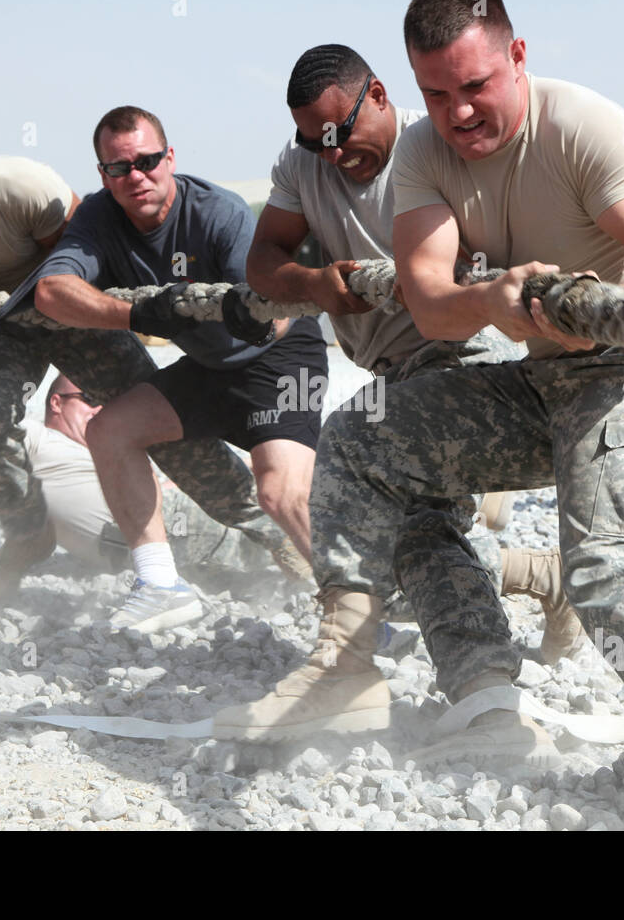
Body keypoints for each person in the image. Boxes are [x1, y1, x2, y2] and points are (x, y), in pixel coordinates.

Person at [225, 0, 624, 829]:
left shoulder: (583, 125)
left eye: (477, 86)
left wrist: (591, 315)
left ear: (517, 57)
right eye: (438, 94)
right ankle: (370, 669)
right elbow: (427, 294)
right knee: (366, 440)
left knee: (610, 570)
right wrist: (494, 303)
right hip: (537, 376)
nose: (459, 113)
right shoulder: (423, 156)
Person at [217, 42, 584, 742]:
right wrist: (314, 285)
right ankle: (533, 588)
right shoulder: (304, 164)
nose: (331, 155)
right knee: (402, 539)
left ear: (379, 96)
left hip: (465, 354)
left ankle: (461, 691)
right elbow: (265, 263)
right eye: (312, 140)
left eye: (341, 134)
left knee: (408, 515)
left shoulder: (439, 144)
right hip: (393, 373)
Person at [0, 148, 296, 606]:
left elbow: (92, 248)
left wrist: (126, 310)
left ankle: (272, 532)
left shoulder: (16, 187)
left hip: (66, 312)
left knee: (151, 423)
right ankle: (27, 534)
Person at [31, 106, 328, 630]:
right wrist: (139, 313)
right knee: (108, 430)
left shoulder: (219, 212)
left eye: (147, 161)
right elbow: (52, 291)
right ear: (104, 175)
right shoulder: (99, 217)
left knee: (279, 493)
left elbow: (276, 310)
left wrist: (253, 317)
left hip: (281, 360)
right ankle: (161, 584)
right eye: (120, 168)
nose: (136, 177)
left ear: (170, 157)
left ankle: (364, 610)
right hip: (212, 367)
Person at [27, 374, 278, 588]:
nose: (100, 410)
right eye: (89, 399)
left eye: (105, 402)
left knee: (280, 525)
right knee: (278, 530)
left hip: (168, 525)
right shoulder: (39, 438)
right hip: (166, 527)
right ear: (57, 403)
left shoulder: (98, 452)